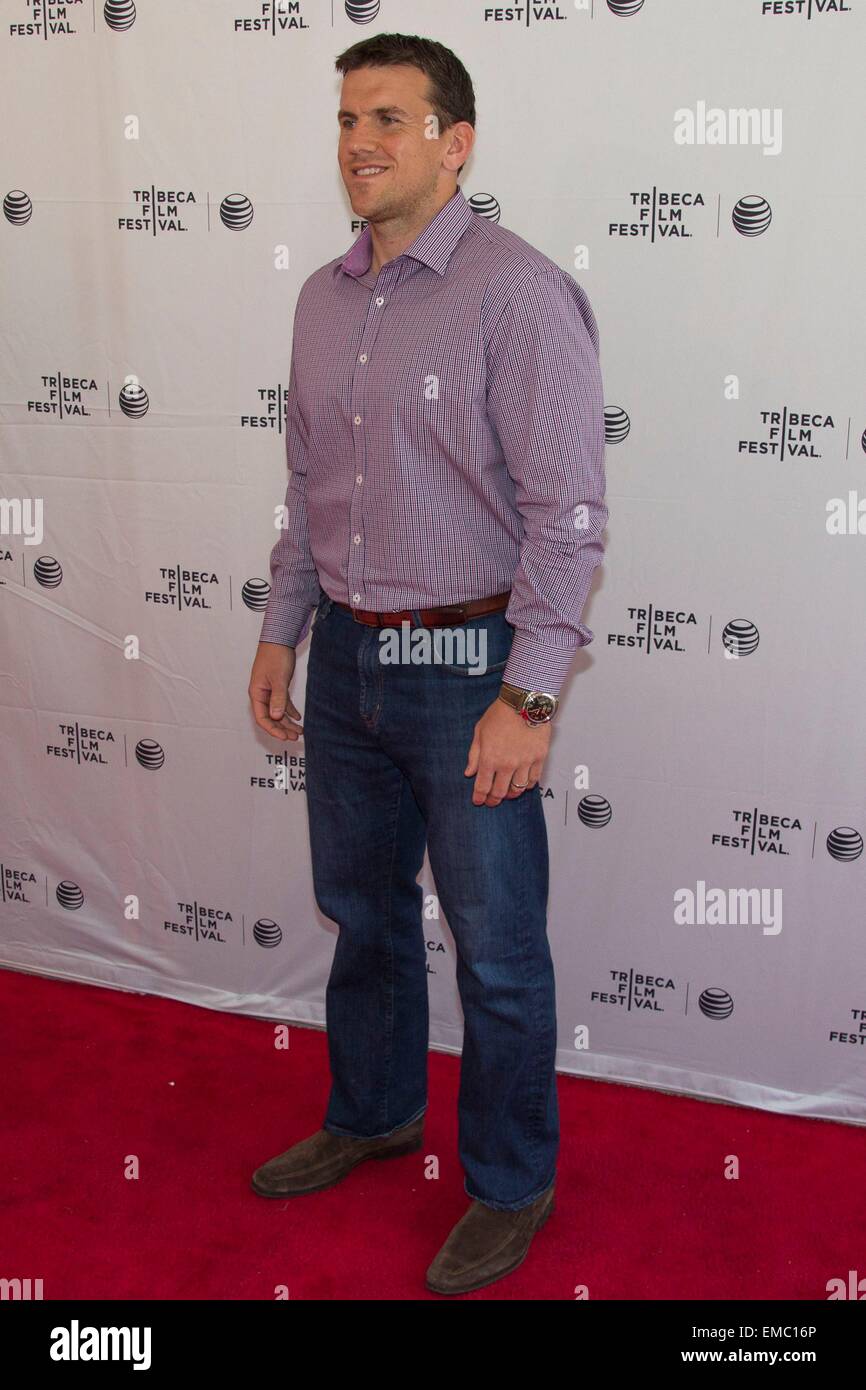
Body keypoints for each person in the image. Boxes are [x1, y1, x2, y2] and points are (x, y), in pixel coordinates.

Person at [247, 31, 607, 1297]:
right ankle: (376, 1111)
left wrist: (528, 692)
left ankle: (510, 1181)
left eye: (390, 119)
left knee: (498, 949)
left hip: (471, 666)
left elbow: (567, 518)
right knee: (363, 915)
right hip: (344, 655)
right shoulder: (318, 299)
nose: (359, 142)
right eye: (347, 118)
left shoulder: (517, 293)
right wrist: (282, 626)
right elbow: (307, 490)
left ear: (455, 145)